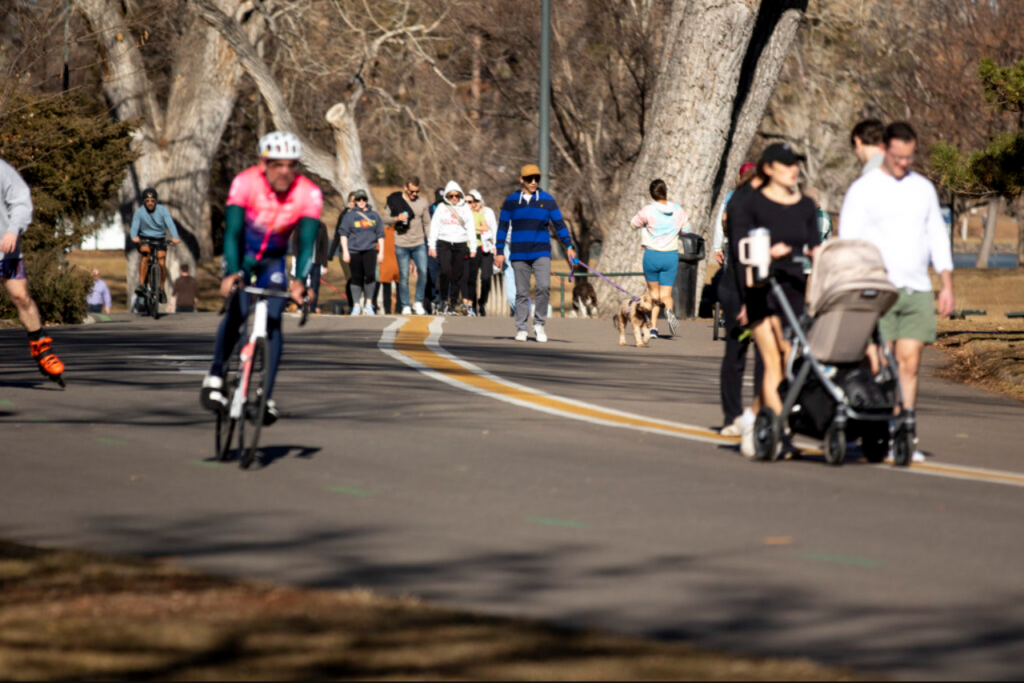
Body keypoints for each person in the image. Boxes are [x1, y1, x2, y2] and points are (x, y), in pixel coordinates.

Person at [839, 121, 955, 463]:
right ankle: (872, 430)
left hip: (917, 287)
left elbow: (936, 234)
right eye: (899, 156)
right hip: (879, 289)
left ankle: (904, 433)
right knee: (878, 363)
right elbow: (849, 240)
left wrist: (946, 283)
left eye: (910, 156)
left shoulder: (923, 189)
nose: (904, 162)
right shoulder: (865, 189)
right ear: (885, 149)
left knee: (910, 363)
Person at [200, 131, 322, 424]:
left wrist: (300, 281)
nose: (284, 171)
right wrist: (231, 273)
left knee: (275, 319)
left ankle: (265, 397)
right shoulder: (245, 183)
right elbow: (231, 233)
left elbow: (307, 245)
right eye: (277, 164)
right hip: (242, 255)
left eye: (291, 165)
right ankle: (216, 376)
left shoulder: (308, 193)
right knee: (238, 311)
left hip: (273, 262)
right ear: (262, 162)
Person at [729, 143, 820, 457]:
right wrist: (766, 254)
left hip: (795, 290)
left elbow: (815, 249)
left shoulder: (806, 206)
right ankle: (780, 430)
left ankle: (753, 418)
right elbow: (740, 250)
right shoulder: (749, 204)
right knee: (774, 360)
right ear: (768, 169)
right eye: (786, 165)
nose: (793, 169)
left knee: (786, 361)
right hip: (761, 290)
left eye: (795, 164)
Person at [0, 159, 66, 384]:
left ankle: (41, 347)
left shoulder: (2, 170)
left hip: (5, 249)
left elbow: (20, 201)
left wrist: (13, 229)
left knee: (21, 297)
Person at [494, 164, 576, 342]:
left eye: (536, 179)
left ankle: (539, 324)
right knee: (521, 292)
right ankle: (521, 327)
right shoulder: (511, 201)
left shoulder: (547, 200)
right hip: (519, 253)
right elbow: (502, 227)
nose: (533, 182)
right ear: (521, 179)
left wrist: (568, 246)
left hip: (541, 252)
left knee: (543, 287)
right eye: (529, 179)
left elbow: (559, 225)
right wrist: (499, 250)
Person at [718, 169, 765, 436]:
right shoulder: (741, 202)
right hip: (738, 287)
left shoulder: (770, 200)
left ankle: (759, 413)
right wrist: (746, 298)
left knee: (765, 355)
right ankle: (732, 416)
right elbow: (742, 253)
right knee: (736, 352)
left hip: (761, 287)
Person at [630, 179, 690, 338]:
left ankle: (653, 329)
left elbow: (633, 224)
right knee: (666, 296)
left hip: (652, 256)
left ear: (652, 194)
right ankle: (669, 311)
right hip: (670, 256)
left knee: (654, 295)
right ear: (666, 192)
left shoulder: (648, 210)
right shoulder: (678, 210)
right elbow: (686, 230)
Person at [428, 181, 477, 315]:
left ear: (460, 195)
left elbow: (470, 228)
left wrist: (473, 247)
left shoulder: (465, 208)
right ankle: (443, 300)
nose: (454, 198)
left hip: (460, 243)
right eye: (451, 196)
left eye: (457, 196)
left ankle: (453, 303)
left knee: (457, 275)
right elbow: (434, 227)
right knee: (445, 271)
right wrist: (431, 245)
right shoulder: (442, 208)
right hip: (444, 242)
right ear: (447, 197)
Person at [386, 177, 430, 315]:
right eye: (412, 191)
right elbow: (385, 218)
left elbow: (427, 223)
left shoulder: (422, 202)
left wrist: (429, 241)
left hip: (419, 243)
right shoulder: (394, 201)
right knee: (404, 275)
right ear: (405, 187)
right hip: (402, 243)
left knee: (423, 272)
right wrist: (396, 218)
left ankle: (418, 302)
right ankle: (405, 305)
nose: (414, 194)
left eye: (417, 191)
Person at [130, 187, 181, 304]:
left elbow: (170, 224)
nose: (150, 203)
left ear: (156, 201)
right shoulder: (139, 212)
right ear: (143, 202)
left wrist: (175, 237)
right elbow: (134, 229)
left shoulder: (163, 210)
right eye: (147, 201)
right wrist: (135, 237)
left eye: (152, 200)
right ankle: (142, 285)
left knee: (161, 262)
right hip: (144, 238)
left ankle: (161, 289)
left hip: (159, 239)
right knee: (145, 255)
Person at [339, 190, 384, 316]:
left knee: (370, 276)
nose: (361, 202)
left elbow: (380, 234)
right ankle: (356, 305)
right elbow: (343, 234)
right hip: (354, 251)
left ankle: (369, 304)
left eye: (363, 199)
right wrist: (345, 252)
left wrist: (381, 252)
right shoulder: (349, 216)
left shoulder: (374, 215)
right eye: (358, 200)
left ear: (366, 200)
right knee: (356, 278)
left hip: (370, 250)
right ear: (355, 202)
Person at [713, 162, 756, 265]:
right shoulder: (763, 196)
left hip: (733, 244)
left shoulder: (731, 196)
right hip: (755, 245)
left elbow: (721, 221)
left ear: (739, 177)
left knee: (732, 277)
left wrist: (717, 247)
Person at [466, 189, 497, 316]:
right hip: (474, 248)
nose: (475, 204)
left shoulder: (488, 212)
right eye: (473, 201)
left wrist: (496, 246)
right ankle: (472, 304)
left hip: (487, 248)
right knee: (471, 277)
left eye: (477, 201)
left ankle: (482, 302)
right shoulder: (467, 214)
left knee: (486, 277)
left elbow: (493, 228)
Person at [329, 191, 357, 313]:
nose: (354, 203)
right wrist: (331, 253)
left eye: (356, 201)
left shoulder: (364, 215)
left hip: (358, 251)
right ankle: (352, 305)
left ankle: (361, 304)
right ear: (348, 202)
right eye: (352, 201)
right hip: (344, 252)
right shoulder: (344, 215)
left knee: (359, 278)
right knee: (350, 279)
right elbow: (337, 234)